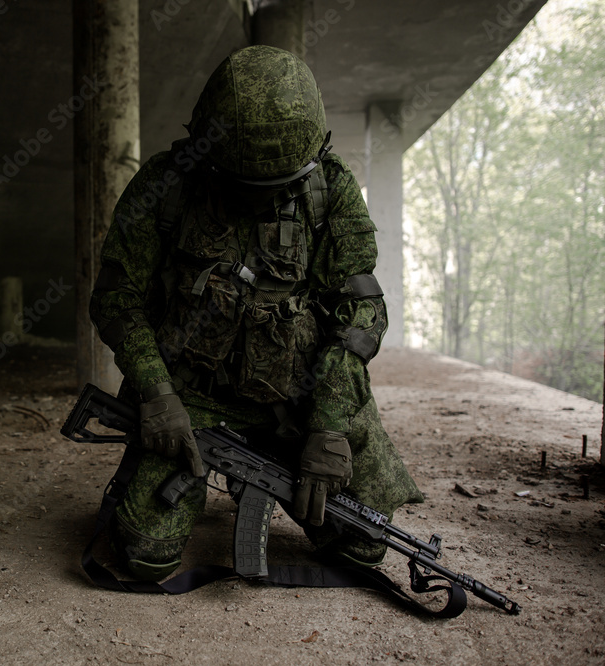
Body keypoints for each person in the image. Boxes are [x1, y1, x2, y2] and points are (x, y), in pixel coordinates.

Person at [89, 45, 423, 582]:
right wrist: (158, 395)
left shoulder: (330, 189)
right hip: (191, 399)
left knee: (363, 542)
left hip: (300, 401)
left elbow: (361, 315)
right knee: (146, 552)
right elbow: (116, 298)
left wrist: (329, 426)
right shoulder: (165, 185)